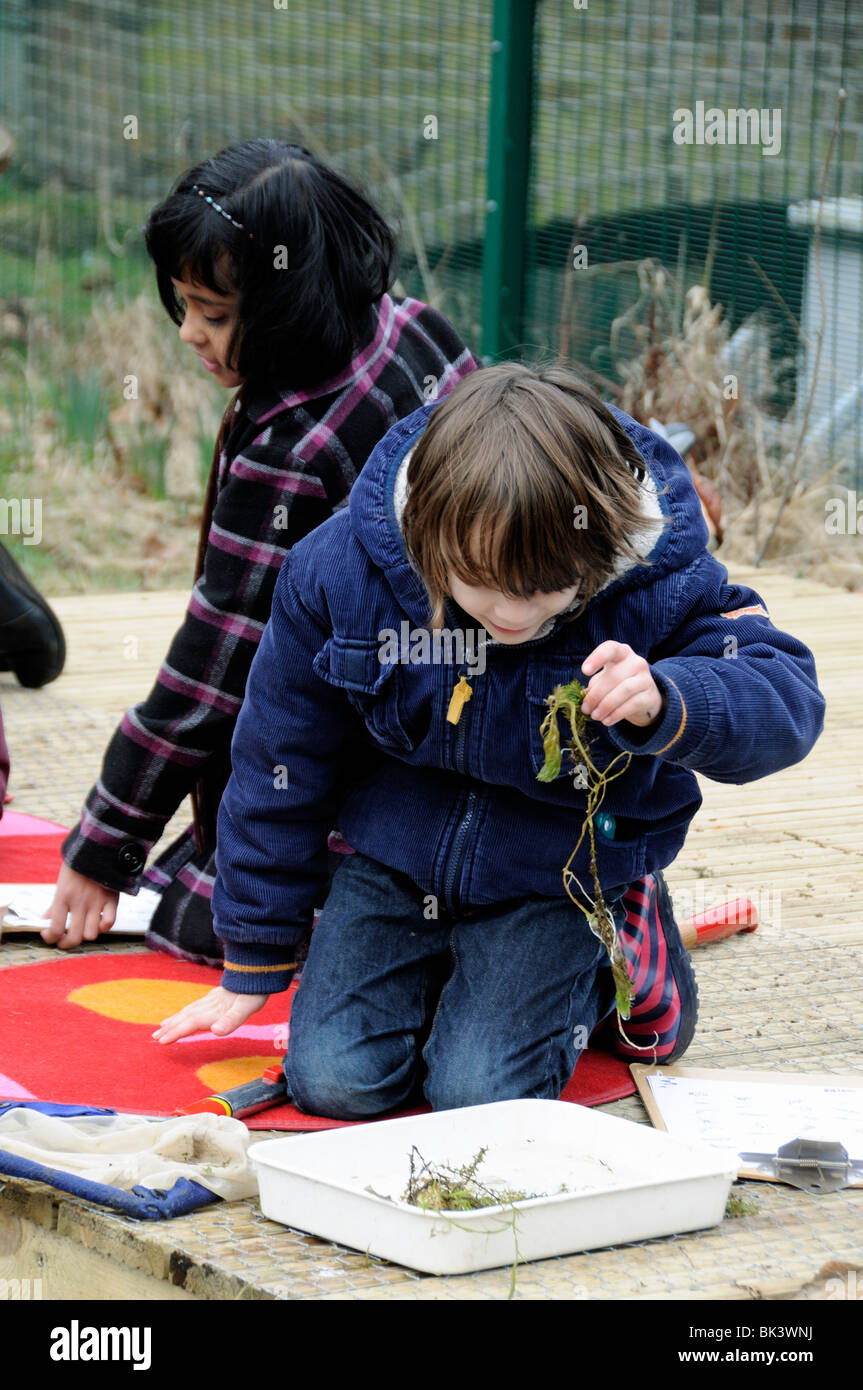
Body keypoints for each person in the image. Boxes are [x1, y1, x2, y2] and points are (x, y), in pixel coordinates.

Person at [153, 363, 826, 1116]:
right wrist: (254, 948)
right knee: (334, 1083)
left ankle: (630, 939)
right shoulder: (339, 572)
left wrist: (668, 698)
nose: (508, 613)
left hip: (560, 868)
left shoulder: (657, 581)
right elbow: (279, 757)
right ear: (428, 532)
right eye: (479, 582)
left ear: (596, 545)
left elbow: (787, 698)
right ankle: (454, 980)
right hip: (394, 857)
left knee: (478, 1096)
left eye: (542, 589)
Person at [43, 139, 476, 960]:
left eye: (212, 313)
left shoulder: (293, 450)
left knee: (197, 919)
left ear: (285, 305)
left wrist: (104, 849)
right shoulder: (410, 324)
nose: (187, 336)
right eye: (182, 307)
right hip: (463, 708)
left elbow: (211, 673)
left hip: (381, 739)